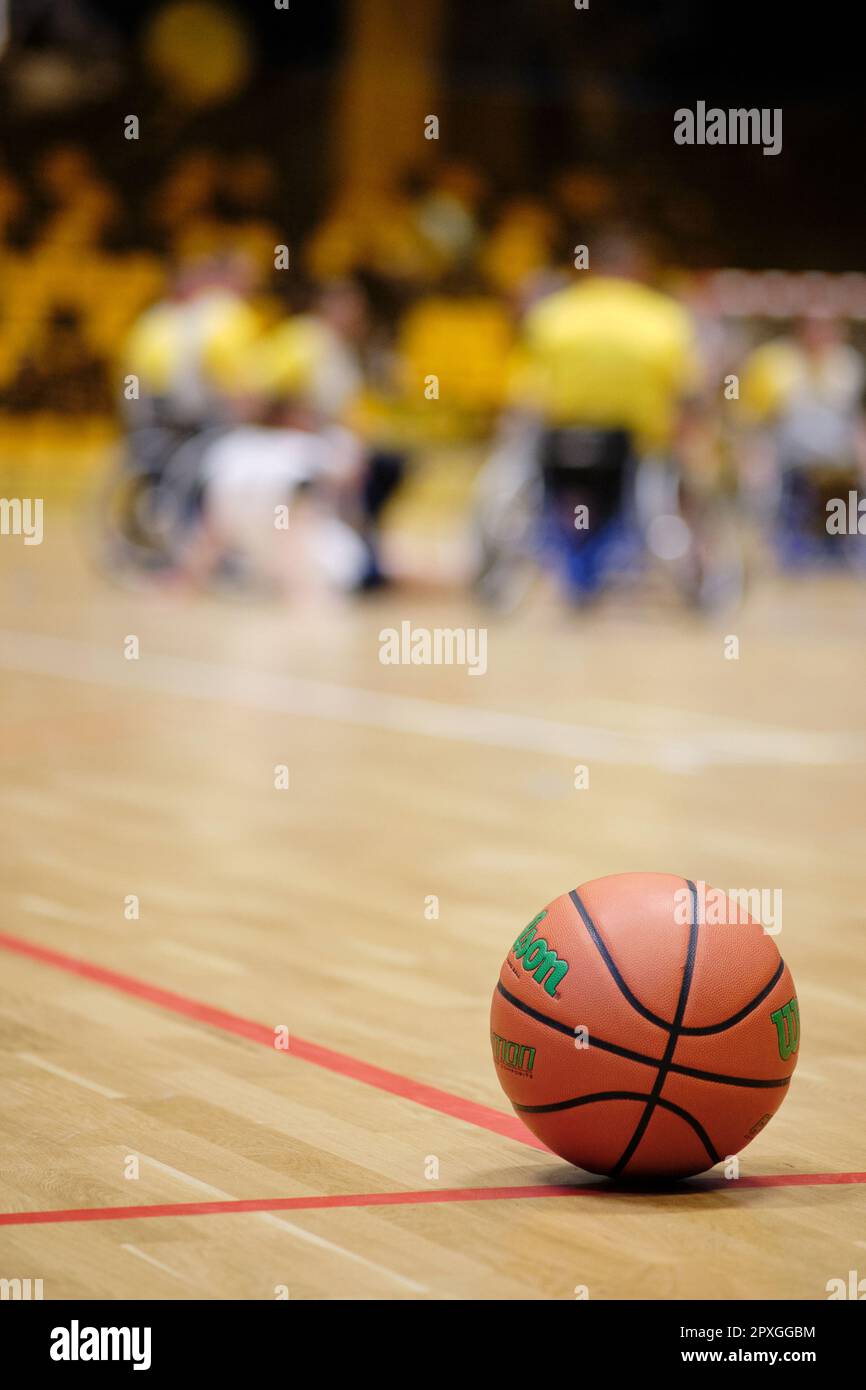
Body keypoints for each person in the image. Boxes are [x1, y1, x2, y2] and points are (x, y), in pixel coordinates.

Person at [477, 226, 702, 600]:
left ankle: (571, 564)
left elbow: (526, 392)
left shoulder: (551, 315)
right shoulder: (665, 318)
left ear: (588, 267)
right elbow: (689, 390)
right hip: (634, 449)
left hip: (561, 445)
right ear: (639, 268)